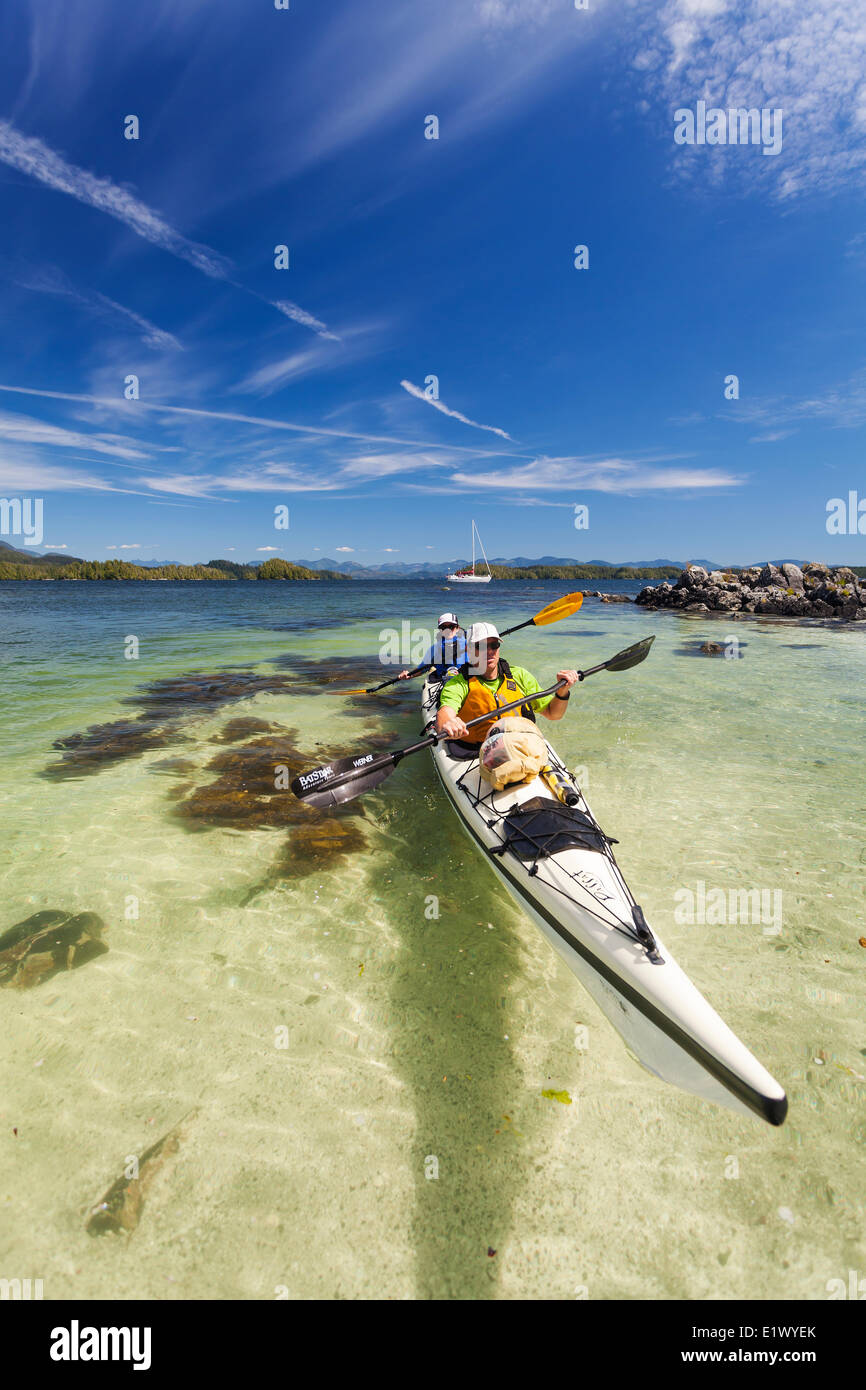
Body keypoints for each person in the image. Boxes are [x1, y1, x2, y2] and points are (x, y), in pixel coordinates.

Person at [435, 622, 579, 743]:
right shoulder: (458, 684)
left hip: (518, 744)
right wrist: (448, 723)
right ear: (469, 649)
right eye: (481, 646)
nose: (490, 651)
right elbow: (445, 713)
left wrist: (562, 692)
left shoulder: (520, 676)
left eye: (494, 645)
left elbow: (553, 714)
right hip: (475, 750)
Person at [397, 612, 467, 681]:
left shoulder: (469, 644)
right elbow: (422, 669)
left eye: (451, 627)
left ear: (458, 628)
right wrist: (409, 675)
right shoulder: (435, 648)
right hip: (442, 679)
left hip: (464, 679)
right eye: (443, 627)